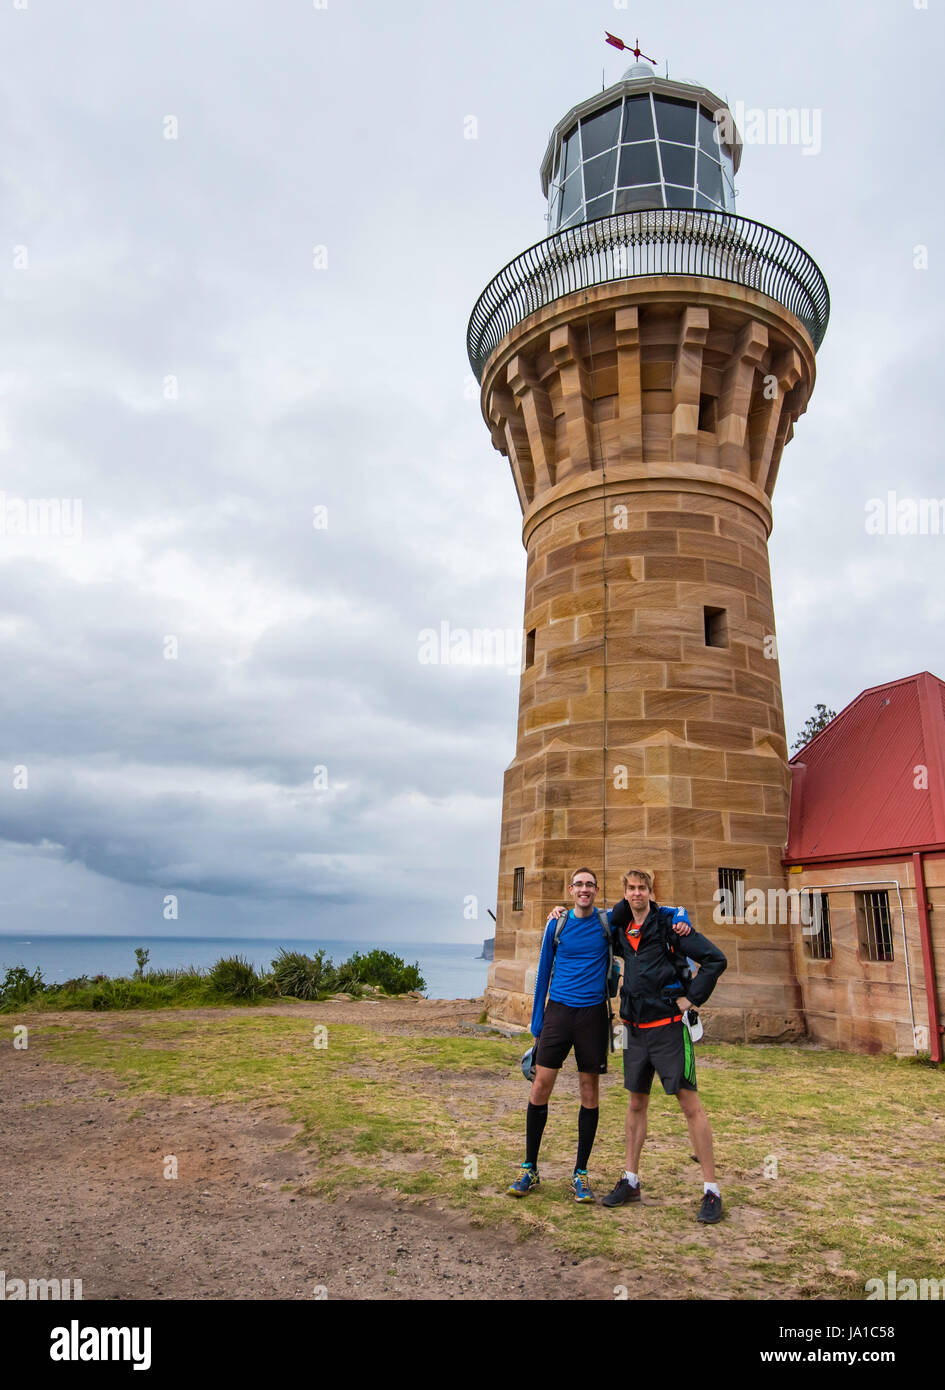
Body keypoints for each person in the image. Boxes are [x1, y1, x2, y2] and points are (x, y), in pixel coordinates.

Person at [508, 868, 690, 1203]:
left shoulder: (608, 921)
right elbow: (543, 972)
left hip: (592, 1015)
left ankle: (580, 1174)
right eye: (579, 885)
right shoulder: (557, 924)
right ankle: (529, 1167)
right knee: (540, 1086)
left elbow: (654, 907)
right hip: (558, 1013)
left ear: (597, 890)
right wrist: (536, 1027)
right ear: (570, 889)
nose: (584, 890)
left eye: (590, 885)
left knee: (589, 1092)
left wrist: (683, 914)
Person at [602, 869, 727, 1224]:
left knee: (690, 1105)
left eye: (642, 888)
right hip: (633, 1029)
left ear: (651, 892)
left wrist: (690, 1000)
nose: (636, 893)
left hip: (670, 1028)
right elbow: (590, 923)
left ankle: (712, 1189)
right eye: (631, 888)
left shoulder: (672, 925)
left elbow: (715, 959)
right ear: (624, 893)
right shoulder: (621, 930)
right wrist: (557, 916)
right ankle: (631, 1179)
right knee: (635, 1102)